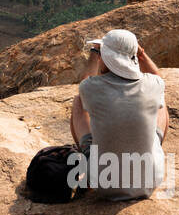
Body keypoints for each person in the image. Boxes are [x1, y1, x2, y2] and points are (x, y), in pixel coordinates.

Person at [68, 28, 168, 200]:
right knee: (161, 102)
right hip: (149, 181)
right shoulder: (154, 84)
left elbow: (85, 81)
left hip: (102, 184)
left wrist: (94, 53)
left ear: (105, 56)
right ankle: (150, 147)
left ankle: (86, 152)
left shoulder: (91, 87)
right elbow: (158, 77)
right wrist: (141, 53)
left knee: (79, 102)